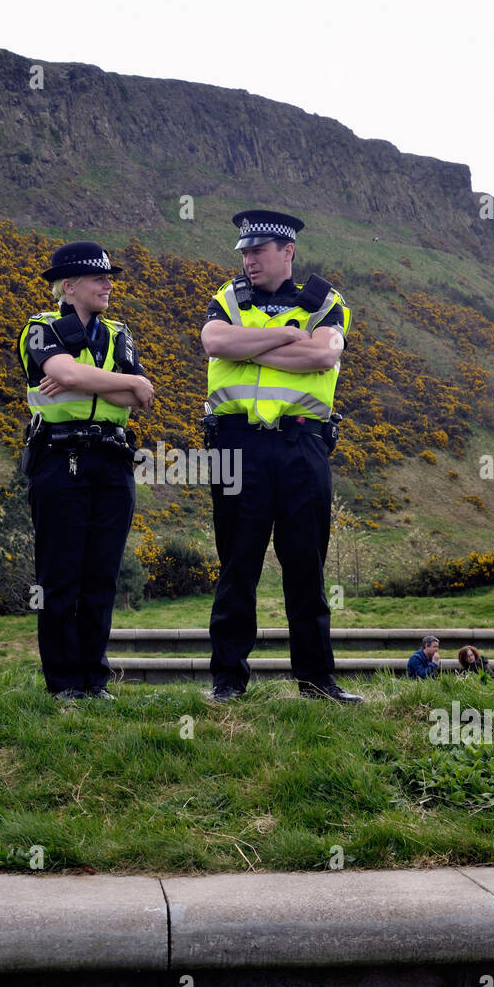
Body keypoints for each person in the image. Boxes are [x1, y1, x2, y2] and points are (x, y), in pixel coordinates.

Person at [200, 209, 363, 705]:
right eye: (244, 252)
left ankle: (317, 683)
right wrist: (289, 335)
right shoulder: (228, 297)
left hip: (302, 446)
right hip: (236, 446)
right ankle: (227, 681)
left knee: (306, 567)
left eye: (258, 251)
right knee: (237, 566)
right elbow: (213, 341)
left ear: (287, 252)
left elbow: (322, 356)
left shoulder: (325, 301)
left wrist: (247, 349)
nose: (249, 260)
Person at [16, 241, 153, 700]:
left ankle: (95, 681)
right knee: (61, 577)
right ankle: (63, 684)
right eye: (99, 278)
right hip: (60, 461)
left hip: (113, 463)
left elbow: (142, 397)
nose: (109, 285)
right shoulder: (40, 328)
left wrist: (124, 383)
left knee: (101, 576)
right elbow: (63, 374)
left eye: (109, 278)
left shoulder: (119, 333)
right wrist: (125, 381)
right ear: (69, 286)